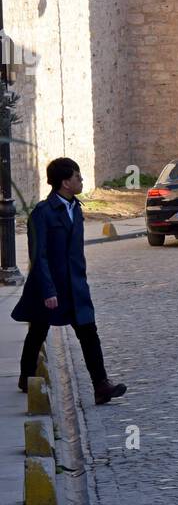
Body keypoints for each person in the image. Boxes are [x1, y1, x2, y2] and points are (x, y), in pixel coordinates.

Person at [12, 157, 127, 405]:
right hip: (50, 287)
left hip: (75, 287)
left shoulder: (77, 208)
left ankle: (101, 385)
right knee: (38, 332)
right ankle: (26, 378)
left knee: (88, 332)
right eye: (77, 176)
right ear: (65, 182)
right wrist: (48, 290)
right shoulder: (42, 213)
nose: (81, 180)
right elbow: (38, 256)